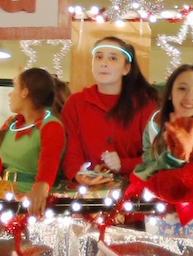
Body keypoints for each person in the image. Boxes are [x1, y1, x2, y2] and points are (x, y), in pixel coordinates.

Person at [61, 37, 158, 185]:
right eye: (99, 57)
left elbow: (155, 156)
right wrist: (77, 174)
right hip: (86, 191)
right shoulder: (75, 103)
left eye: (113, 58)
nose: (104, 63)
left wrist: (124, 164)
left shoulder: (145, 105)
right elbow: (71, 149)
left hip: (133, 190)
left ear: (126, 68)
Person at [0, 67, 65, 216]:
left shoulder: (51, 126)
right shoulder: (10, 124)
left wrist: (40, 189)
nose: (10, 94)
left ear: (25, 92)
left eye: (14, 87)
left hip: (28, 204)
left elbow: (49, 162)